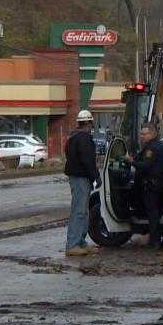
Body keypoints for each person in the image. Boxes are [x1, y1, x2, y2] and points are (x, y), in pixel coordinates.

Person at [126, 123, 163, 249]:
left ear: (152, 133)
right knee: (154, 213)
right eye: (141, 134)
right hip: (158, 185)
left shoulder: (152, 148)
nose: (142, 136)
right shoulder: (157, 145)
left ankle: (154, 241)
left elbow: (145, 166)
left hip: (152, 186)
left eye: (144, 134)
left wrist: (131, 162)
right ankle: (153, 238)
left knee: (153, 214)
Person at [63, 110, 99, 256]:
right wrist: (96, 176)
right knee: (79, 211)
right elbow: (87, 160)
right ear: (90, 123)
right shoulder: (84, 139)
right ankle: (73, 244)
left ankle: (81, 242)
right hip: (81, 178)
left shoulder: (73, 138)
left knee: (83, 211)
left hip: (78, 177)